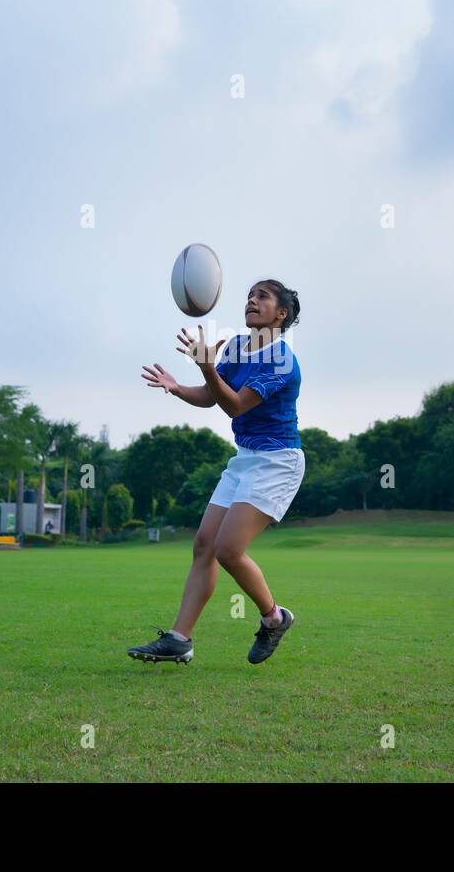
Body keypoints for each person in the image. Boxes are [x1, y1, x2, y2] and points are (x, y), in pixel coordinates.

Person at [130, 279, 303, 665]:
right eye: (249, 296)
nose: (251, 301)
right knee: (204, 545)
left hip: (278, 462)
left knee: (228, 549)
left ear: (281, 314)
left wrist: (207, 367)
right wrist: (177, 386)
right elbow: (211, 396)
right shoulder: (239, 347)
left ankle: (275, 618)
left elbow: (236, 405)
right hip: (246, 457)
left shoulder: (282, 361)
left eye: (263, 296)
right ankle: (179, 639)